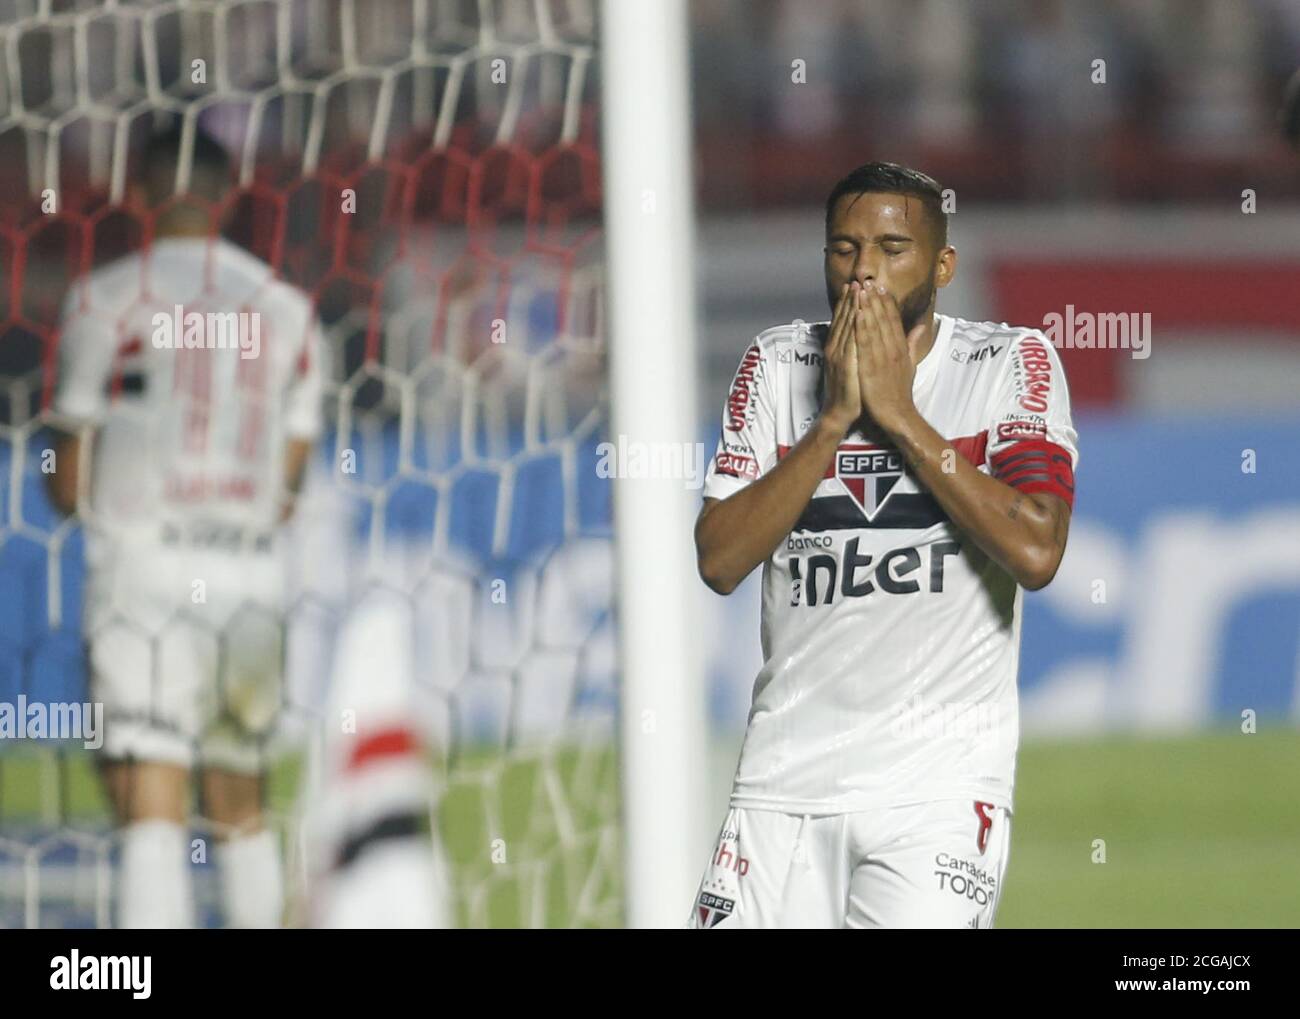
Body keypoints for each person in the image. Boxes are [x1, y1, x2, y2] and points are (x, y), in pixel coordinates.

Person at [690, 161, 1077, 929]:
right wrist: (833, 421)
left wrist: (899, 415)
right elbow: (719, 558)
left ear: (942, 266)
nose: (864, 269)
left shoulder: (1007, 364)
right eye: (844, 247)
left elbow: (1037, 552)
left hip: (934, 793)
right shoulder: (777, 364)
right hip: (780, 783)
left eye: (892, 248)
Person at [46, 120, 324, 928]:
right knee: (239, 800)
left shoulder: (105, 297)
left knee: (149, 796)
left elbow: (67, 480)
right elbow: (288, 486)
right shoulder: (290, 309)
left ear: (138, 193)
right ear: (228, 194)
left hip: (145, 568)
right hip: (247, 575)